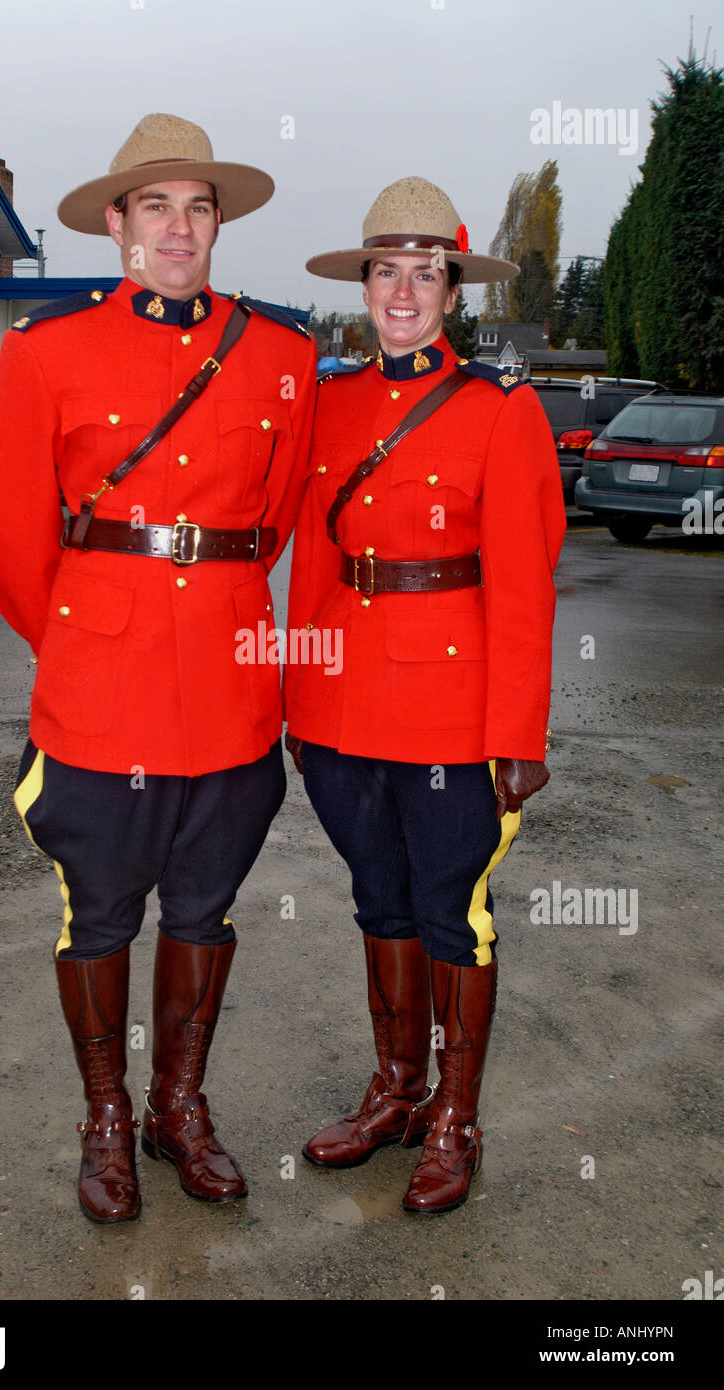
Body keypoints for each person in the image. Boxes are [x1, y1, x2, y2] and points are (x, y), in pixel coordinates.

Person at [0, 113, 316, 1222]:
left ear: (219, 225)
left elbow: (282, 514)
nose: (178, 226)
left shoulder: (282, 355)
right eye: (154, 205)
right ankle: (106, 1119)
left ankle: (180, 1107)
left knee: (204, 913)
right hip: (99, 687)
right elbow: (5, 527)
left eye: (197, 206)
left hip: (227, 681)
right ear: (117, 223)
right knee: (102, 917)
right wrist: (79, 629)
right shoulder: (44, 350)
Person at [284, 177, 565, 1214]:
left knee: (455, 917)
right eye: (387, 271)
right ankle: (396, 1091)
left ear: (454, 289)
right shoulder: (334, 402)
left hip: (453, 710)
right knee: (380, 901)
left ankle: (456, 1115)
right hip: (346, 709)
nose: (405, 291)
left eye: (427, 272)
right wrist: (299, 696)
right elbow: (316, 562)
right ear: (365, 284)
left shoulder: (503, 409)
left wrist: (517, 731)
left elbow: (527, 583)